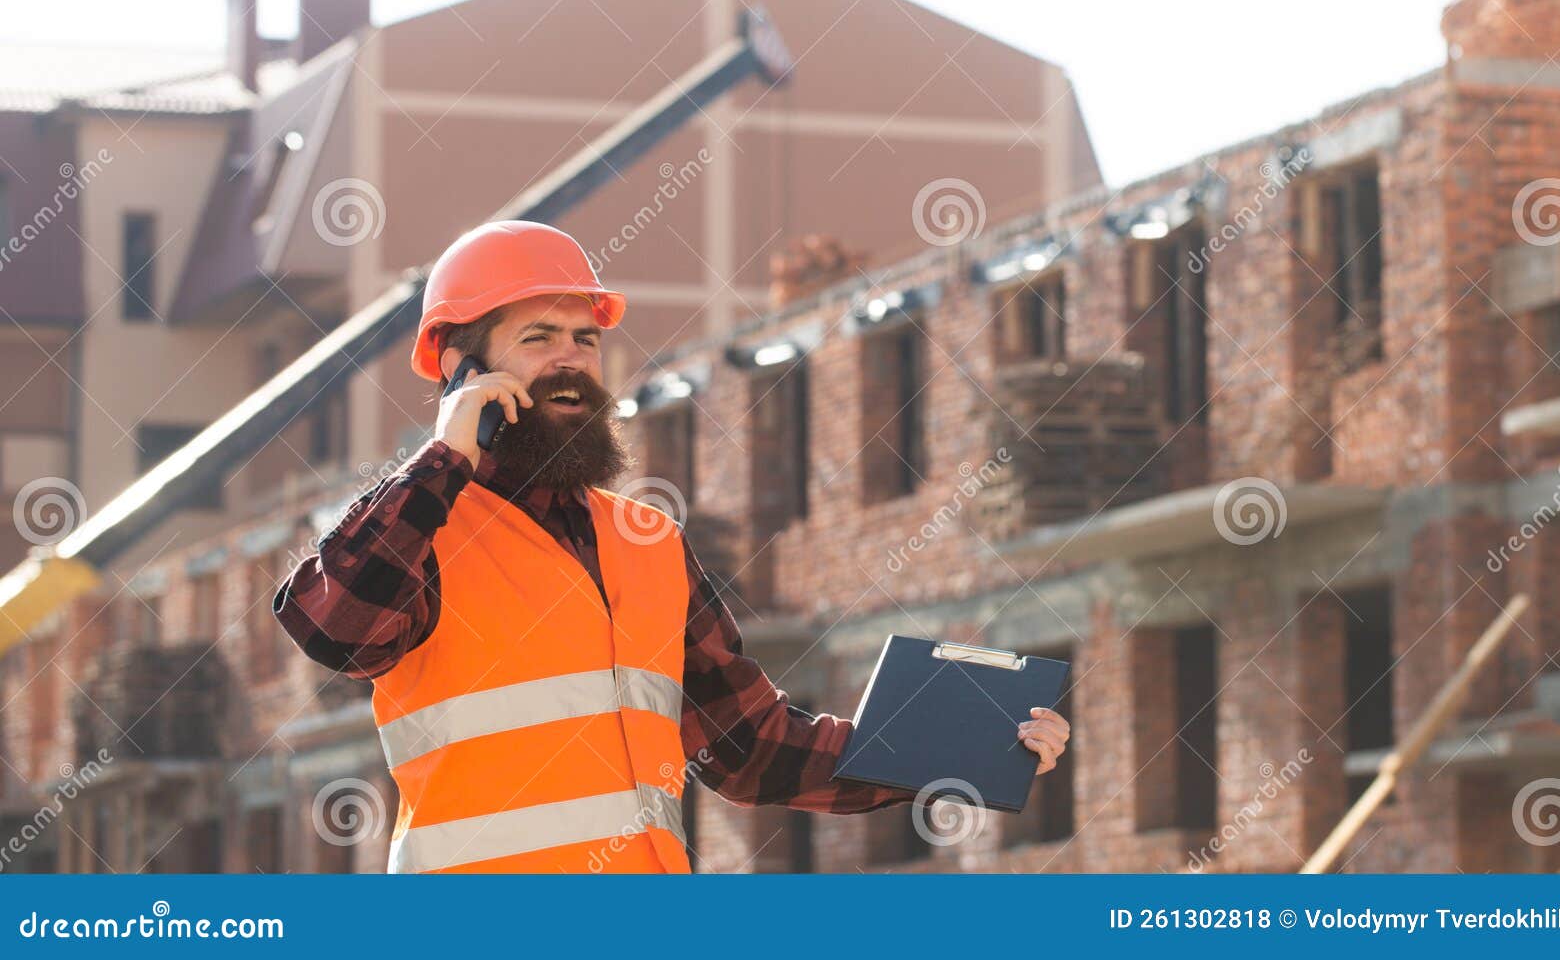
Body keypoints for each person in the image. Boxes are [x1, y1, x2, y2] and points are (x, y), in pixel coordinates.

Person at [273, 219, 1070, 874]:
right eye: (539, 336)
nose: (570, 359)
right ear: (459, 367)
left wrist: (963, 743)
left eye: (584, 338)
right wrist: (446, 455)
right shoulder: (420, 528)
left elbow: (751, 745)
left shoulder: (648, 541)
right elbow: (333, 627)